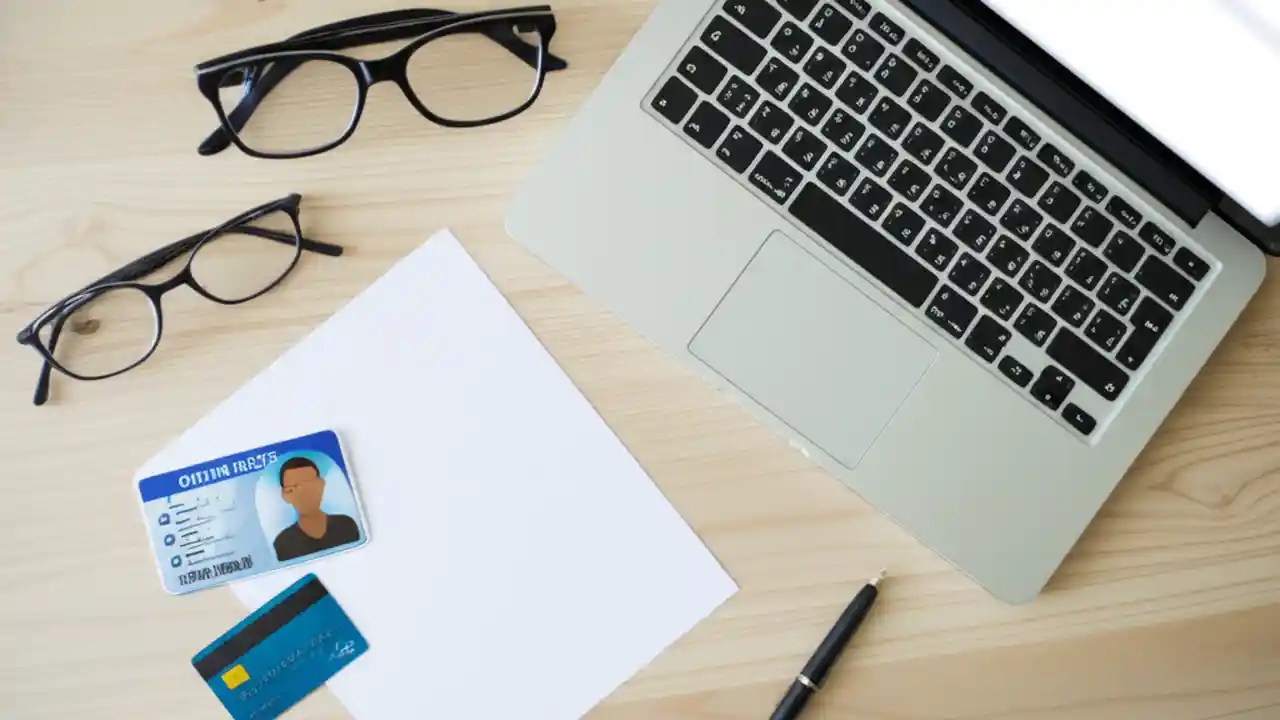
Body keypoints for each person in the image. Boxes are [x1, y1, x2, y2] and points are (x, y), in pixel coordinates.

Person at [272, 456, 360, 561]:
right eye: (291, 490)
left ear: (321, 486)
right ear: (285, 495)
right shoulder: (283, 543)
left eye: (308, 487)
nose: (302, 495)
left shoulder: (346, 525)